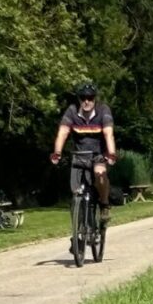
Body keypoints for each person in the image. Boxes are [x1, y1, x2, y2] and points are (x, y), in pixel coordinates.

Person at [50, 82, 117, 225]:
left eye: (90, 98)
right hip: (79, 156)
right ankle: (78, 229)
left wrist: (111, 153)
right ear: (79, 99)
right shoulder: (72, 111)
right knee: (75, 191)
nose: (87, 101)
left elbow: (108, 134)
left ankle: (104, 205)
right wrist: (57, 152)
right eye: (83, 98)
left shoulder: (103, 110)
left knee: (100, 175)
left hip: (98, 154)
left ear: (95, 99)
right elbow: (63, 133)